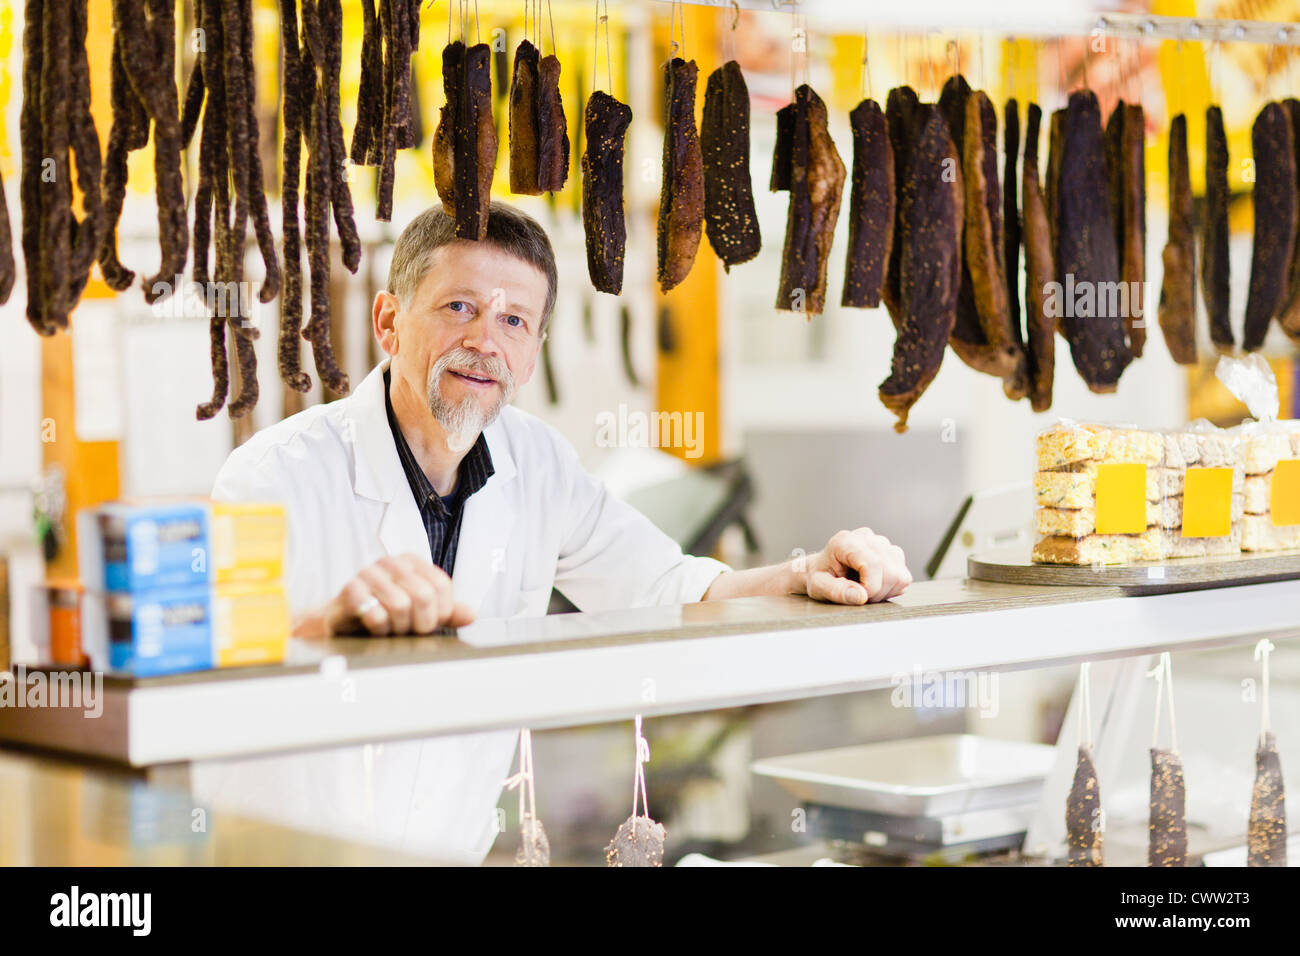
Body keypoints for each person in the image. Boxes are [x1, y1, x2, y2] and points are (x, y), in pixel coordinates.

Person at [199, 201, 912, 863]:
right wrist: (329, 625)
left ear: (534, 350)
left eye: (515, 322)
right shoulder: (273, 474)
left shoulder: (538, 463)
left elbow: (670, 586)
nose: (485, 340)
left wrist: (803, 572)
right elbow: (209, 653)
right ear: (389, 322)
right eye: (459, 307)